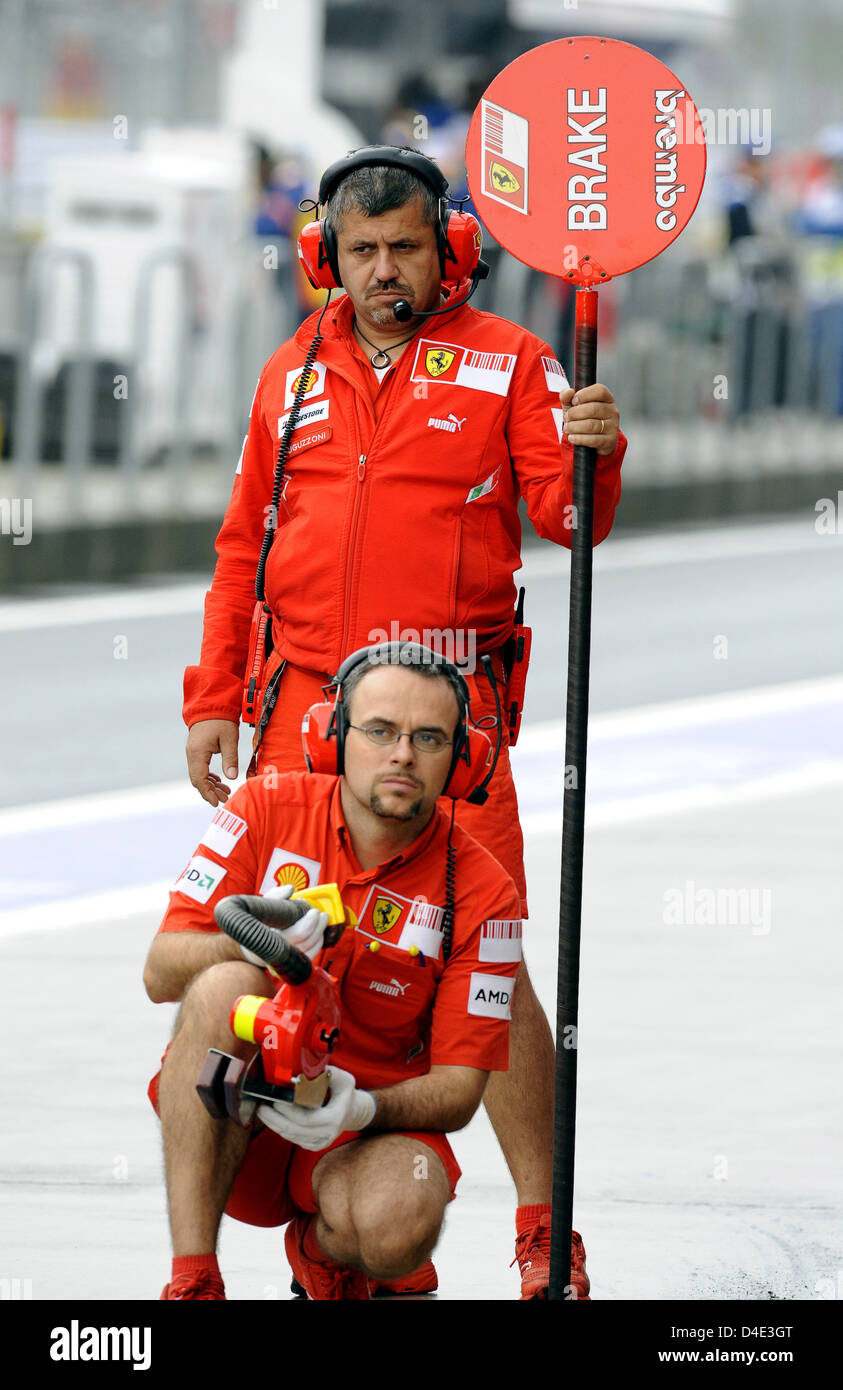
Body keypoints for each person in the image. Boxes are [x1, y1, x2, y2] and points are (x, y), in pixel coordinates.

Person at [182, 145, 627, 1297]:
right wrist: (212, 697)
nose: (384, 271)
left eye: (406, 250)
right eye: (362, 250)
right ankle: (316, 1229)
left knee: (496, 964)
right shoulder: (288, 375)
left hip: (450, 730)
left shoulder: (513, 363)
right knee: (287, 965)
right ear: (327, 255)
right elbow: (243, 551)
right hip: (301, 725)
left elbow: (567, 519)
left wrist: (595, 447)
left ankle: (544, 1230)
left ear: (449, 253)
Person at [145, 646, 525, 1300]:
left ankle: (322, 1250)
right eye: (379, 731)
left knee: (402, 1220)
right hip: (237, 1120)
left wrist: (365, 1107)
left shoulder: (488, 895)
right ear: (330, 737)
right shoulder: (261, 806)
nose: (402, 754)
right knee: (221, 985)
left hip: (363, 1130)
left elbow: (461, 1089)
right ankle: (194, 1277)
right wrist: (253, 949)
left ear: (461, 760)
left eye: (428, 738)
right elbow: (160, 971)